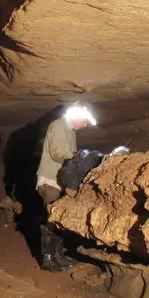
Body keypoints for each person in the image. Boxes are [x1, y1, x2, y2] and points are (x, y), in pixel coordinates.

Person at [35, 103, 96, 270]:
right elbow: (57, 152)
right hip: (50, 180)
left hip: (62, 181)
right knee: (51, 217)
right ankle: (47, 258)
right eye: (84, 121)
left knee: (61, 217)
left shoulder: (70, 130)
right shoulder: (58, 126)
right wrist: (77, 158)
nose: (84, 126)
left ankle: (58, 255)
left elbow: (72, 155)